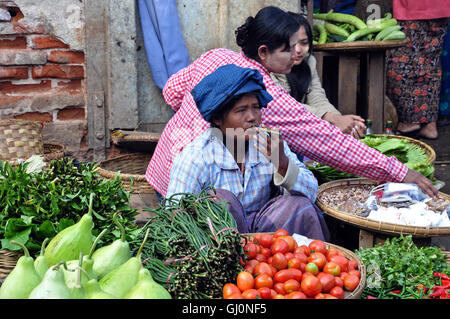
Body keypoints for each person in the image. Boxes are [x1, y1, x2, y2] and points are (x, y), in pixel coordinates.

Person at [145, 5, 439, 203]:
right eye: (287, 49)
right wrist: (399, 172)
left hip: (164, 171)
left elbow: (172, 91)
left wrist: (191, 119)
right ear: (263, 51)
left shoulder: (217, 56)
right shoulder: (265, 97)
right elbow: (332, 144)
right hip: (197, 191)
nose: (295, 55)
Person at [166, 64, 330, 240]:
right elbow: (175, 216)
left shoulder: (269, 144)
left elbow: (312, 192)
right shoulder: (196, 156)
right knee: (220, 199)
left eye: (256, 107)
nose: (252, 117)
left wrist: (282, 164)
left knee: (300, 205)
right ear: (217, 118)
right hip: (219, 244)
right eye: (241, 110)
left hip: (265, 237)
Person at [270, 12, 367, 139]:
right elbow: (283, 105)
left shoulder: (308, 61)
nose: (298, 50)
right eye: (292, 44)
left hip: (305, 127)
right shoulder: (268, 68)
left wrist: (342, 121)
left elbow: (316, 96)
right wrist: (330, 117)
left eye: (304, 43)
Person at [386, 0, 450, 140]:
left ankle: (409, 121)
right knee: (430, 62)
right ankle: (429, 125)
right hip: (440, 7)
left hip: (412, 8)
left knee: (402, 60)